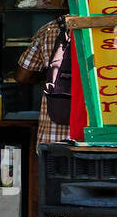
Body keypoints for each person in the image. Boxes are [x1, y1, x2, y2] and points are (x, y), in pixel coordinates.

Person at [14, 15, 73, 148]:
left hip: (54, 138)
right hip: (101, 137)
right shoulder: (111, 30)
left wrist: (49, 76)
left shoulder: (50, 29)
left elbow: (22, 76)